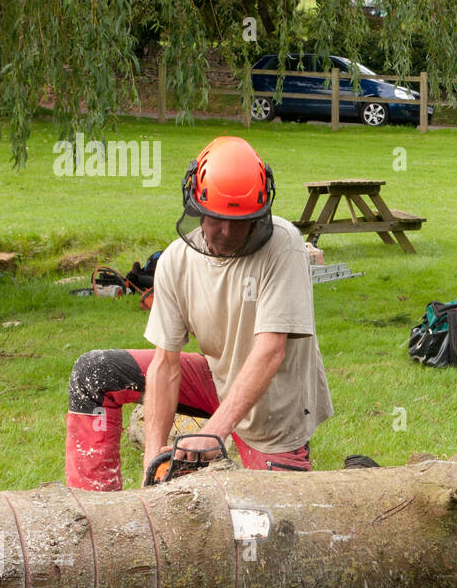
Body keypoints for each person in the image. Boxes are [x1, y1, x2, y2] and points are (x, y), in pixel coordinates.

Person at [64, 135, 334, 489]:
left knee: (270, 531)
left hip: (275, 408)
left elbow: (271, 351)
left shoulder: (284, 246)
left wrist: (211, 435)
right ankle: (97, 510)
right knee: (95, 373)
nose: (227, 232)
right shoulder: (177, 259)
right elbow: (165, 364)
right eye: (217, 219)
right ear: (196, 206)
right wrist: (153, 462)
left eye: (241, 221)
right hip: (215, 378)